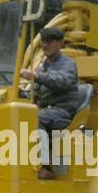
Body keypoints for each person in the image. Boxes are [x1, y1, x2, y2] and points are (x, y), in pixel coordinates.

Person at [20, 27, 78, 180]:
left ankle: (45, 166)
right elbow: (37, 91)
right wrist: (21, 94)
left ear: (60, 43)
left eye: (50, 42)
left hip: (62, 110)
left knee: (35, 118)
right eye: (44, 42)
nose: (45, 45)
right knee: (21, 115)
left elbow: (62, 82)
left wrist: (37, 76)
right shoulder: (43, 65)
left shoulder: (67, 64)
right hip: (47, 110)